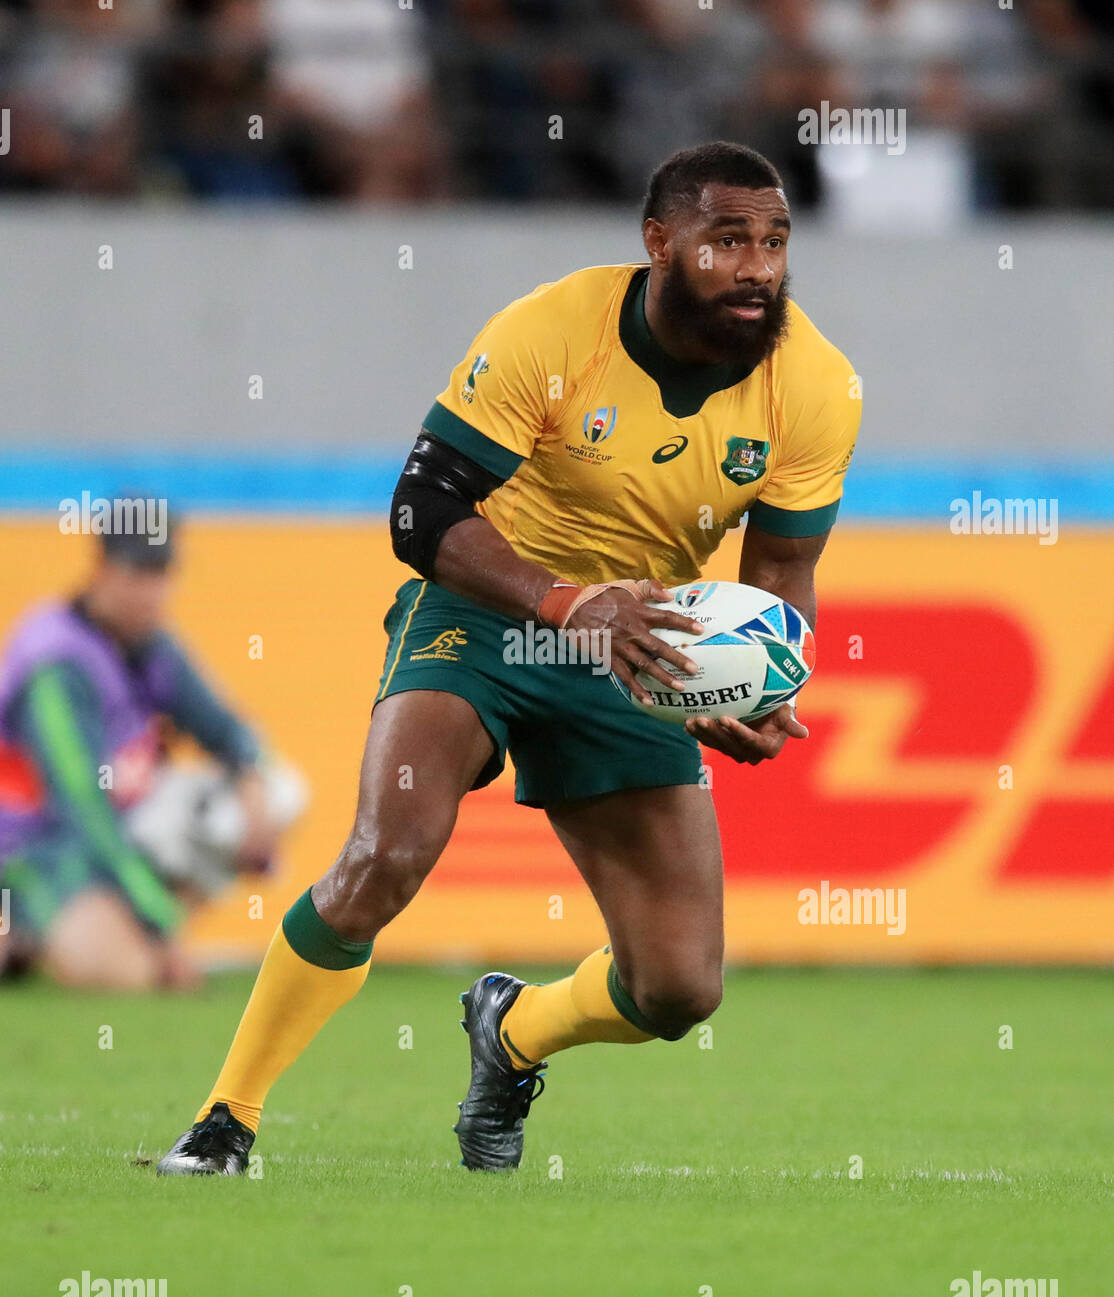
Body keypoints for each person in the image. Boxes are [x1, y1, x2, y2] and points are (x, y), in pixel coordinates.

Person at [158, 141, 860, 1176]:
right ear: (658, 244)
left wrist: (753, 686)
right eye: (727, 240)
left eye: (774, 240)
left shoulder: (814, 385)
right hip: (491, 607)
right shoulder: (551, 330)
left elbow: (782, 578)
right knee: (383, 854)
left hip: (643, 643)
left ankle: (513, 1034)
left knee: (677, 989)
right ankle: (228, 1118)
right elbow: (420, 509)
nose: (757, 266)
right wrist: (566, 602)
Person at [0, 505, 304, 990]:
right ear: (101, 571)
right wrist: (159, 923)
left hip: (115, 840)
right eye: (139, 574)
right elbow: (83, 811)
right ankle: (25, 934)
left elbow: (225, 728)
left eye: (163, 574)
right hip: (34, 849)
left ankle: (80, 935)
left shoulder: (153, 646)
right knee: (125, 976)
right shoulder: (54, 663)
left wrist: (248, 776)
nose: (154, 592)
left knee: (279, 789)